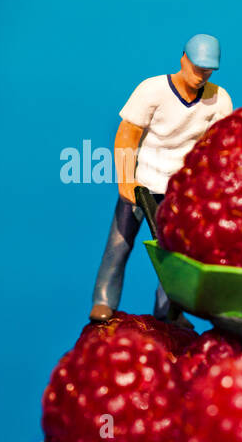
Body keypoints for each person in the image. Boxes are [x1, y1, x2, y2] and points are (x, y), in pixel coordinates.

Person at [89, 34, 233, 323]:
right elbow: (127, 134)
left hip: (180, 193)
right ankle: (103, 300)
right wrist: (125, 179)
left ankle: (169, 312)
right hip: (142, 182)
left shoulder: (219, 100)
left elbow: (219, 148)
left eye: (208, 71)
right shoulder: (152, 90)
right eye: (196, 67)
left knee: (175, 259)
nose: (201, 75)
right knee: (119, 244)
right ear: (183, 59)